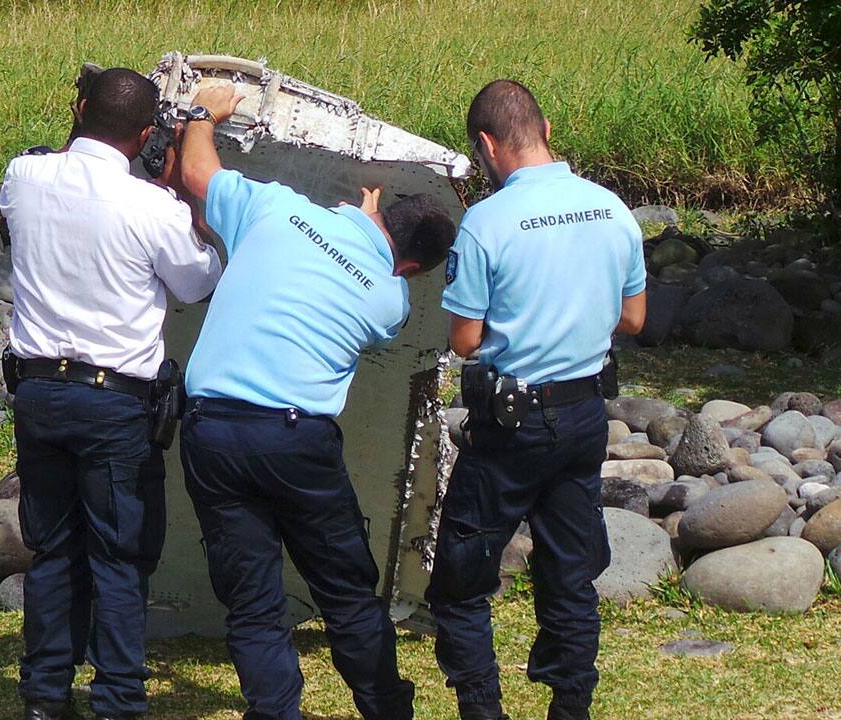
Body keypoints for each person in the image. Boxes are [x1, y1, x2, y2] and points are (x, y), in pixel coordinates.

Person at [176, 81, 457, 720]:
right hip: (297, 442)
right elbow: (371, 282)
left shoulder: (277, 210)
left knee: (250, 599)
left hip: (213, 430)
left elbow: (197, 170)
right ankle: (386, 707)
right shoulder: (388, 300)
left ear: (376, 204)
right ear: (411, 266)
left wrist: (204, 113)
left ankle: (274, 711)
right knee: (347, 592)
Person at [0, 68, 222, 720]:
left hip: (38, 390)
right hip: (115, 400)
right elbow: (196, 282)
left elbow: (52, 184)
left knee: (51, 549)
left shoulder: (23, 177)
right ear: (148, 134)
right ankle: (118, 699)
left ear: (77, 110)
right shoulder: (153, 208)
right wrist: (189, 201)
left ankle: (44, 694)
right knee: (120, 557)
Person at [428, 80, 647, 720]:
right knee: (570, 573)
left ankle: (482, 709)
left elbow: (465, 340)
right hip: (585, 416)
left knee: (463, 576)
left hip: (511, 425)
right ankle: (570, 706)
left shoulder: (487, 221)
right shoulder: (612, 208)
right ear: (546, 127)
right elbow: (632, 319)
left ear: (487, 146)